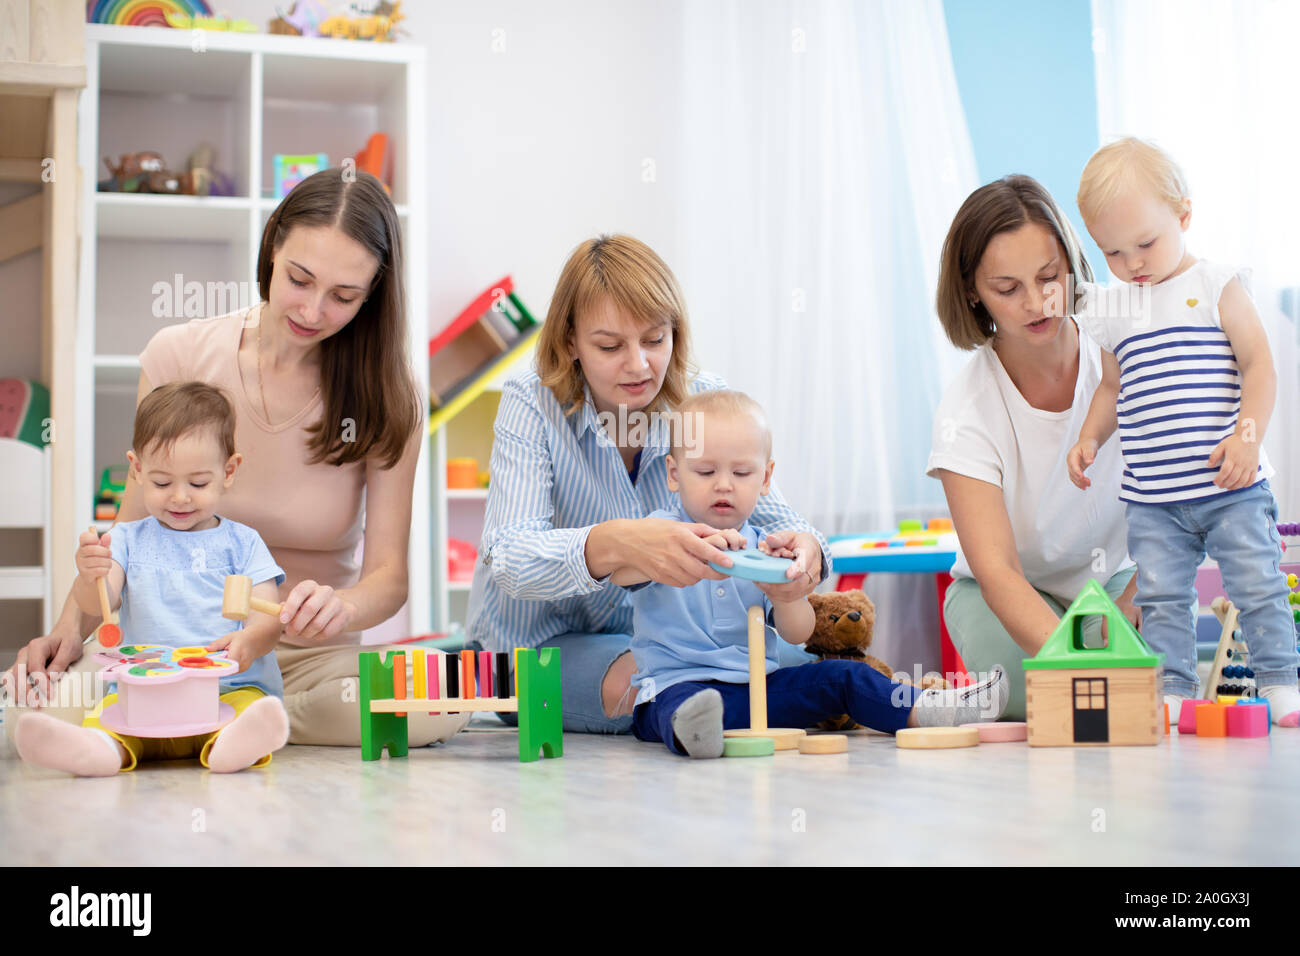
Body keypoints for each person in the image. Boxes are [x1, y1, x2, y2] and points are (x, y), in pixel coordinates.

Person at [11, 169, 465, 747]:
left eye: (344, 296)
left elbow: (388, 578)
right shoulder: (179, 355)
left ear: (372, 294)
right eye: (299, 279)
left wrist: (341, 608)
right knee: (28, 717)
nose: (312, 310)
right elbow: (128, 532)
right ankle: (228, 719)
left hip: (308, 658)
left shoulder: (389, 395)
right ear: (272, 246)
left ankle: (217, 718)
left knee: (445, 699)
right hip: (162, 650)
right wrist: (66, 630)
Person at [466, 234, 829, 733]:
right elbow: (509, 555)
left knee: (796, 664)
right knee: (654, 679)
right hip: (542, 643)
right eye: (609, 346)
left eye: (655, 340)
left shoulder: (704, 401)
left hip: (677, 642)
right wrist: (616, 543)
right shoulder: (532, 402)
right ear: (570, 342)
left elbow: (786, 524)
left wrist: (808, 552)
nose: (638, 365)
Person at [621, 390, 1008, 757]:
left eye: (741, 472)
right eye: (705, 471)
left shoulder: (767, 550)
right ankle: (696, 732)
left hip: (758, 692)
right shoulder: (658, 534)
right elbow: (623, 574)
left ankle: (930, 709)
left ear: (765, 479)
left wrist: (787, 597)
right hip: (674, 688)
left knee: (843, 676)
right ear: (674, 474)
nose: (724, 484)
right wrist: (675, 553)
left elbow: (798, 633)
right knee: (679, 707)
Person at [1067, 137, 1299, 726]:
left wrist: (1248, 436)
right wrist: (1090, 437)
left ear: (1184, 214)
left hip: (1230, 486)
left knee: (1257, 585)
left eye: (1146, 243)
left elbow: (1259, 365)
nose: (1133, 264)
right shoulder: (1116, 309)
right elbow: (1111, 389)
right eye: (1113, 252)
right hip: (1153, 498)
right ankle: (1172, 689)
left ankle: (1280, 680)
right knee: (1160, 597)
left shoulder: (1217, 284)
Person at [927, 175, 1140, 721]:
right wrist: (1078, 669)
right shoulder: (967, 407)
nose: (1036, 302)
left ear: (1070, 262)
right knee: (1039, 699)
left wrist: (1133, 602)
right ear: (972, 291)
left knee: (1152, 678)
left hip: (1116, 580)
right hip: (1010, 592)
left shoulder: (1125, 352)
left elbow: (1187, 503)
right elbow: (998, 571)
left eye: (1049, 277)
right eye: (1007, 288)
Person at [15, 383, 290, 774]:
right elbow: (100, 602)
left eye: (198, 483)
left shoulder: (244, 544)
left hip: (225, 691)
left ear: (228, 471)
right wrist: (89, 577)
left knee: (250, 708)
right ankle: (98, 751)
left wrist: (250, 641)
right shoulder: (126, 539)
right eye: (162, 482)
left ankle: (231, 746)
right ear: (137, 468)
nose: (179, 497)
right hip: (144, 694)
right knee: (109, 715)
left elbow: (268, 622)